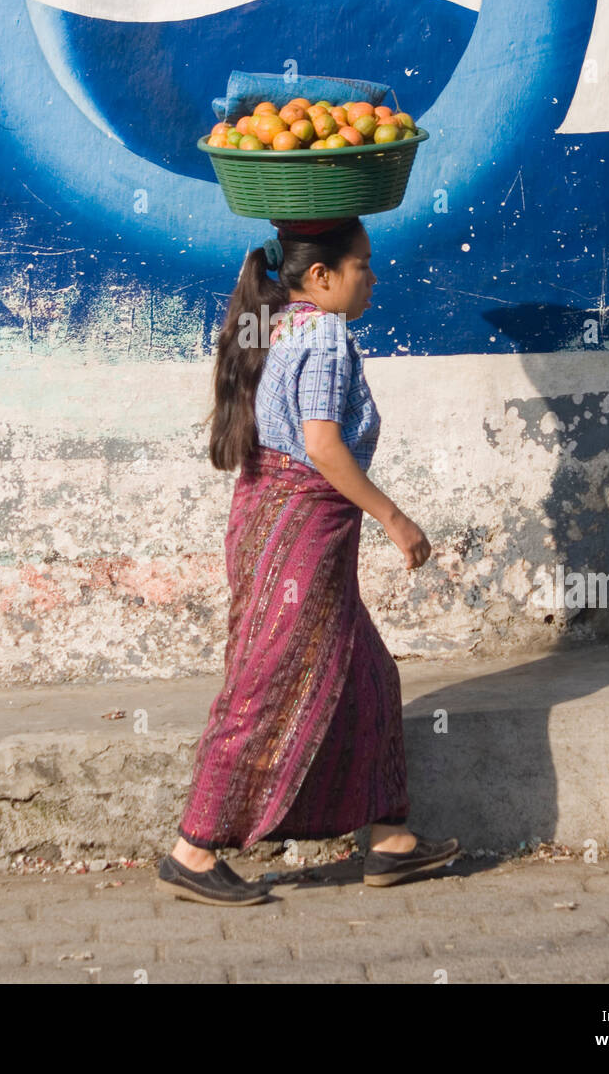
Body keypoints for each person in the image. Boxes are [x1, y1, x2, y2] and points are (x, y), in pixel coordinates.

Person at [156, 216, 459, 905]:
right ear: (321, 277)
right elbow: (321, 445)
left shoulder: (281, 324)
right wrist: (393, 517)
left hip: (272, 514)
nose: (372, 277)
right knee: (265, 680)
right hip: (303, 523)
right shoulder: (322, 332)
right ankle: (193, 850)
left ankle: (389, 841)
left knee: (369, 673)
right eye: (362, 265)